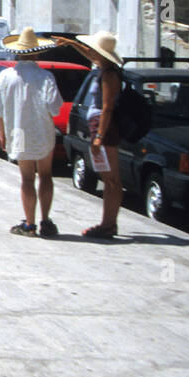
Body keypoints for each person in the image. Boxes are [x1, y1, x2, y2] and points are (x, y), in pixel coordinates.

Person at [0, 28, 63, 237]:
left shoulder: (5, 76)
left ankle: (29, 224)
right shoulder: (46, 76)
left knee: (27, 178)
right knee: (46, 175)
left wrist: (2, 133)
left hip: (18, 131)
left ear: (17, 52)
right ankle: (45, 220)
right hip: (42, 130)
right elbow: (55, 107)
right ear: (37, 53)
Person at [54, 31, 124, 238]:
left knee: (111, 180)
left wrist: (99, 137)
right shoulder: (104, 68)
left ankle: (108, 224)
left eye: (94, 49)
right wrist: (71, 43)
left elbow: (108, 107)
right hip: (100, 127)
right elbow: (89, 55)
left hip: (105, 128)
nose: (91, 52)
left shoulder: (110, 74)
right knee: (108, 177)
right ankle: (108, 223)